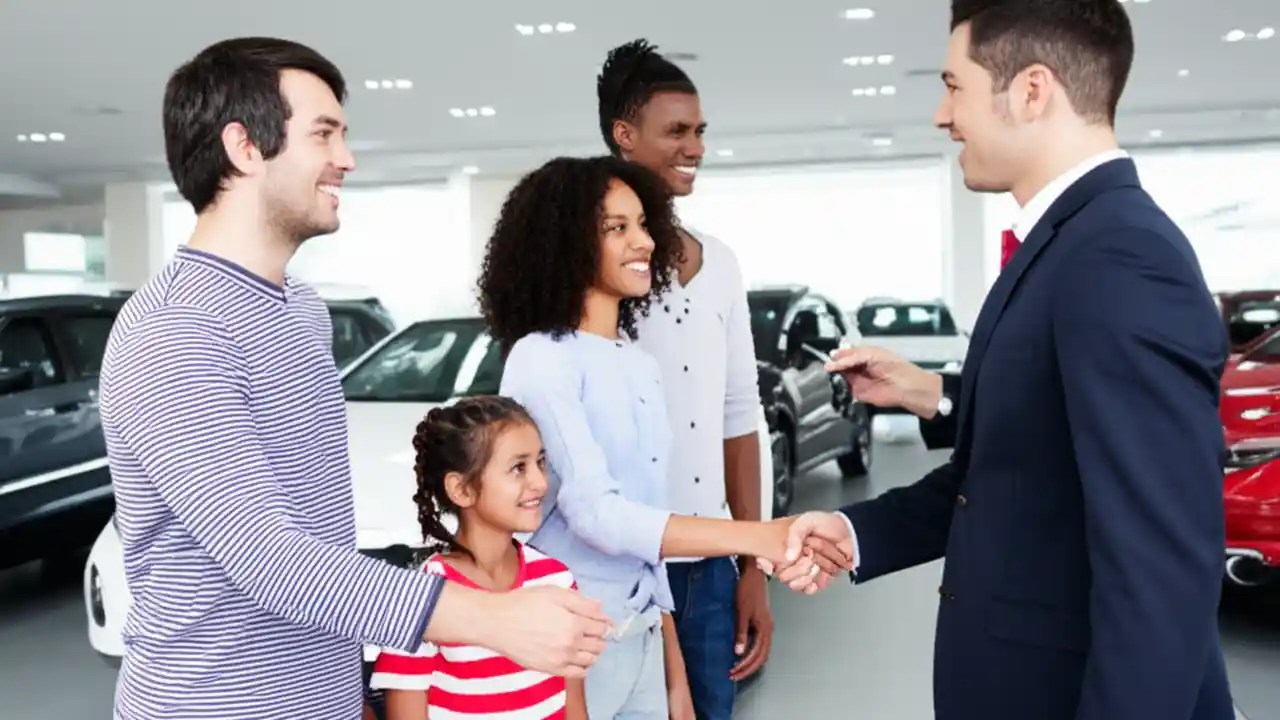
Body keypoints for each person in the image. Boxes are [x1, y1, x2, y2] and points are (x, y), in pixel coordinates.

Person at [97, 37, 607, 720]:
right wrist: (494, 619)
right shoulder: (174, 330)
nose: (347, 158)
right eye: (324, 134)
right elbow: (269, 558)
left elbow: (316, 532)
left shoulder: (302, 311)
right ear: (245, 147)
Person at [775, 2, 1235, 719]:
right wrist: (856, 531)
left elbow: (1161, 576)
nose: (941, 114)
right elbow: (1013, 471)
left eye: (954, 85)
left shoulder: (1120, 257)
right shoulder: (1067, 245)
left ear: (1030, 90)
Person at [477, 155, 851, 718]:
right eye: (617, 228)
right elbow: (597, 516)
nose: (643, 242)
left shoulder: (637, 362)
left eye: (642, 224)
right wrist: (757, 536)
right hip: (572, 644)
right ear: (565, 244)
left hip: (644, 640)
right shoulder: (542, 360)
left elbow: (646, 539)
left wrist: (672, 670)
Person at [595, 39, 769, 717]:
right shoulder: (589, 266)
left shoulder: (721, 263)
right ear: (624, 134)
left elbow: (738, 415)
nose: (693, 146)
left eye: (699, 131)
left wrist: (752, 568)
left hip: (713, 568)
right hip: (619, 570)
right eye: (676, 132)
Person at [369, 397, 588, 720]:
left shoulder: (557, 582)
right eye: (518, 468)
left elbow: (574, 710)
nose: (540, 482)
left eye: (540, 462)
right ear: (461, 490)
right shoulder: (422, 602)